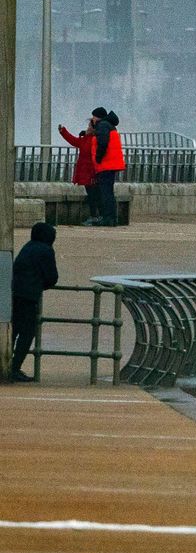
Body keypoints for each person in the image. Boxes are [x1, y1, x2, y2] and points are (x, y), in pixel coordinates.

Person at [9, 222, 59, 382]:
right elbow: (52, 277)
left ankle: (7, 364)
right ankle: (15, 368)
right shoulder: (46, 250)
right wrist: (40, 284)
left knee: (14, 330)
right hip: (29, 296)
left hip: (14, 294)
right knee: (27, 333)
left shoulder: (28, 246)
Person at [58, 116, 99, 225]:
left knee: (93, 195)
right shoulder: (86, 138)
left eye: (90, 126)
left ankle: (95, 216)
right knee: (91, 194)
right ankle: (95, 216)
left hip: (91, 171)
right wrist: (63, 132)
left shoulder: (94, 140)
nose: (88, 127)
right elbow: (74, 141)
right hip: (85, 171)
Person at [91, 108, 126, 227]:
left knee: (106, 193)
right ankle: (111, 218)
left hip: (107, 164)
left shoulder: (102, 126)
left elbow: (103, 143)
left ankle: (108, 218)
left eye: (94, 117)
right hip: (112, 163)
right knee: (108, 192)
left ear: (98, 117)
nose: (93, 119)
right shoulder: (109, 125)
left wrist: (98, 158)